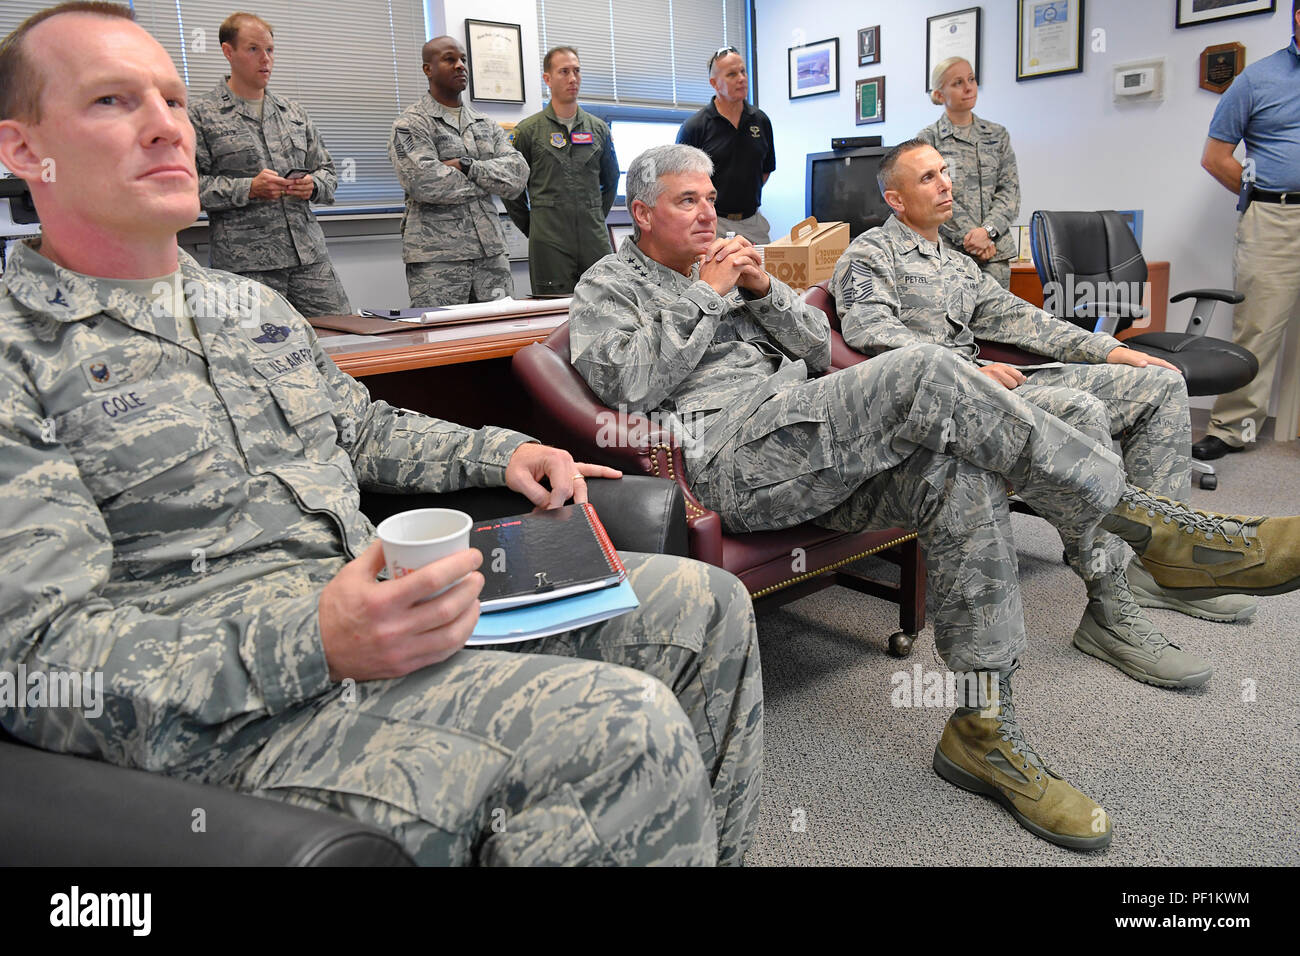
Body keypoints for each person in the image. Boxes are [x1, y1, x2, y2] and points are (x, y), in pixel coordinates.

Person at [0, 3, 763, 867]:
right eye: (112, 102)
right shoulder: (18, 351)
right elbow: (33, 659)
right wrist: (312, 640)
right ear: (24, 149)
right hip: (237, 718)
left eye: (173, 102)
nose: (166, 129)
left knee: (708, 607)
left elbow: (360, 428)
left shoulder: (249, 308)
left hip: (376, 609)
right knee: (624, 734)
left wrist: (502, 451)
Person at [570, 143, 1300, 851]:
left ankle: (982, 730)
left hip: (813, 437)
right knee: (924, 367)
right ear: (641, 213)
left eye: (710, 198)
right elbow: (628, 384)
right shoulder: (608, 287)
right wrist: (708, 295)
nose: (707, 214)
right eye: (686, 201)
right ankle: (1157, 532)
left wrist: (761, 290)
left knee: (961, 474)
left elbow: (819, 348)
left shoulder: (731, 267)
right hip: (734, 461)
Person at [833, 140, 1258, 695]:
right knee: (1079, 411)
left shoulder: (959, 265)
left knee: (1160, 383)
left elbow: (1028, 322)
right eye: (927, 178)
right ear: (895, 198)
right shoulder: (869, 257)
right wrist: (961, 373)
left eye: (945, 172)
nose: (945, 185)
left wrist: (1114, 351)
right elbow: (869, 333)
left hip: (996, 381)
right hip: (951, 403)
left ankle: (1161, 569)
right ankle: (1110, 610)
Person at [188, 11, 351, 317]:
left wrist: (312, 185)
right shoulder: (201, 115)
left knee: (344, 342)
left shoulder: (293, 113)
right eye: (253, 49)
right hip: (247, 267)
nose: (265, 59)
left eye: (270, 50)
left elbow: (328, 174)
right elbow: (187, 187)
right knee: (258, 355)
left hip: (309, 259)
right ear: (228, 52)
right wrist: (249, 188)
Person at [1193, 1, 1300, 462]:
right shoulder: (1256, 80)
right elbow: (1216, 157)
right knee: (1258, 326)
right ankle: (1234, 427)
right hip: (1276, 220)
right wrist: (1263, 195)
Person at [390, 36, 528, 308]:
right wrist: (490, 181)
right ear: (427, 69)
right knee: (442, 341)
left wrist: (467, 167)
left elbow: (518, 175)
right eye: (449, 59)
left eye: (463, 59)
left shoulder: (485, 123)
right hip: (437, 259)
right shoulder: (410, 124)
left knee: (499, 337)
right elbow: (424, 182)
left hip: (491, 254)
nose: (460, 66)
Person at [503, 46, 618, 296]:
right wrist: (536, 227)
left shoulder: (598, 129)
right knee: (552, 314)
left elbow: (611, 181)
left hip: (593, 240)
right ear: (547, 79)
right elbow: (512, 189)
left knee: (606, 307)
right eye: (564, 71)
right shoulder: (529, 131)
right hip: (549, 242)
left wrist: (594, 215)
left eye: (576, 71)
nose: (572, 78)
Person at [916, 57, 1019, 289]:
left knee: (1000, 322)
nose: (968, 87)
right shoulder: (928, 139)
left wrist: (988, 232)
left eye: (971, 79)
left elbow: (1009, 192)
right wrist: (970, 237)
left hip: (995, 253)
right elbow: (931, 196)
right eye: (958, 82)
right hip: (950, 254)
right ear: (940, 95)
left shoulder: (997, 135)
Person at [676, 46, 774, 245]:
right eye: (731, 74)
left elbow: (765, 171)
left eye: (743, 71)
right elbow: (681, 181)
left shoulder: (761, 120)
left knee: (764, 275)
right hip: (712, 222)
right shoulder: (695, 127)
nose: (741, 78)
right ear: (714, 83)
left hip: (753, 221)